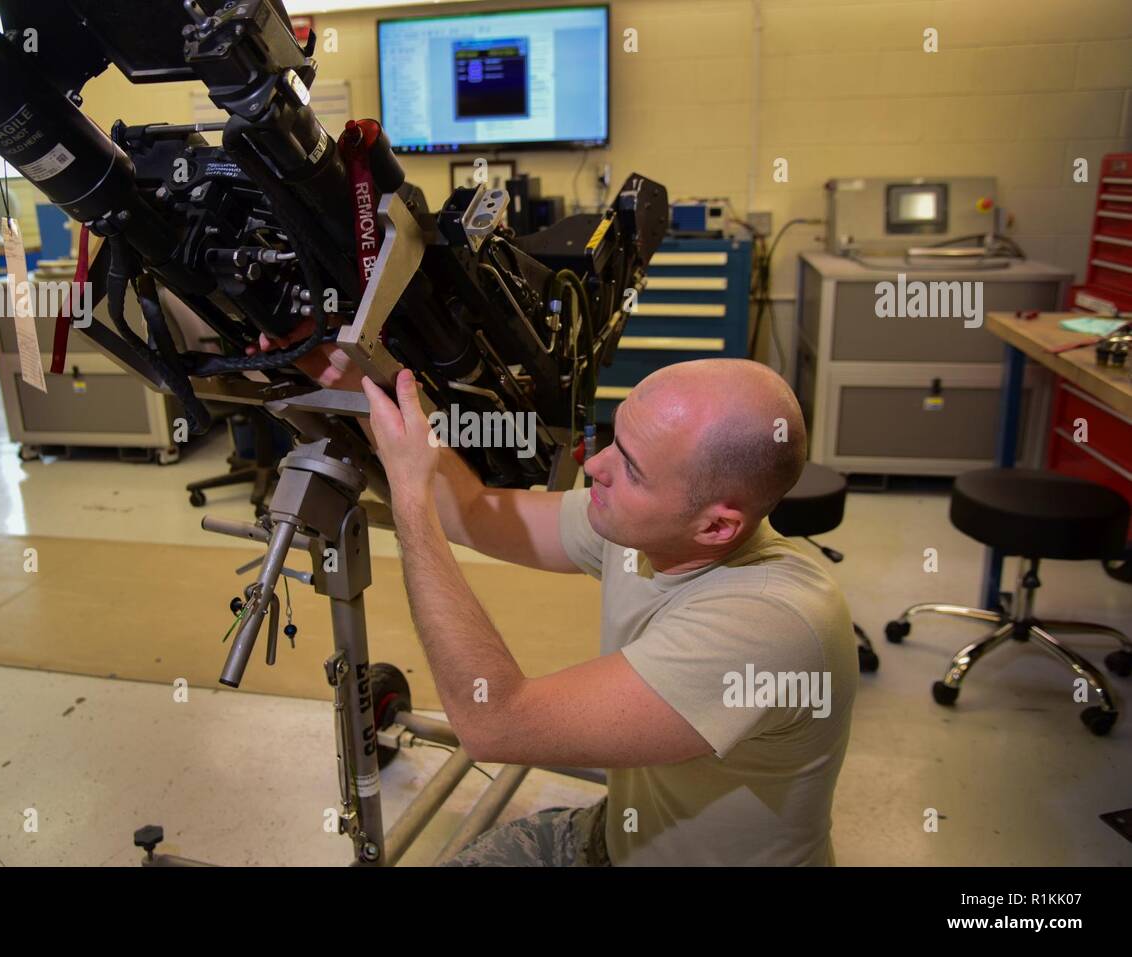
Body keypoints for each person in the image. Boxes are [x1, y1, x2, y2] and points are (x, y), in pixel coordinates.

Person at [255, 323, 858, 866]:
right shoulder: (646, 529)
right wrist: (362, 386)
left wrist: (410, 498)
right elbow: (470, 512)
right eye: (616, 440)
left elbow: (496, 724)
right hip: (618, 841)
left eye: (635, 470)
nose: (597, 467)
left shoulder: (769, 627)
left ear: (717, 526)